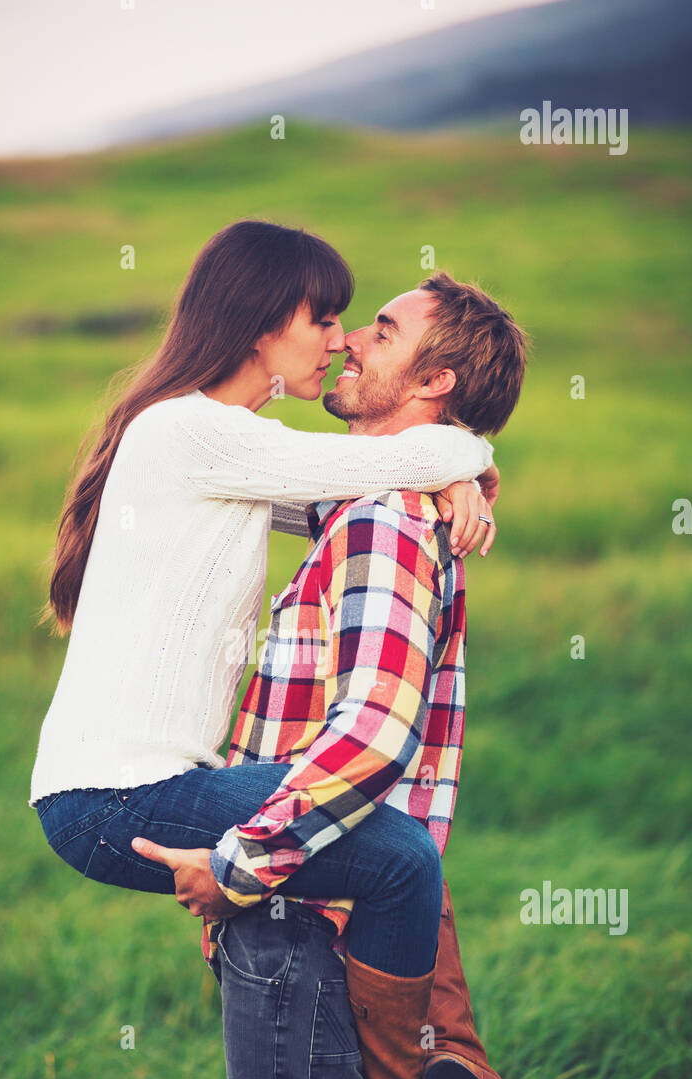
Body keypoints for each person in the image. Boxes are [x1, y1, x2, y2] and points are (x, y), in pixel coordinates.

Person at [135, 273, 588, 1079]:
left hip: (297, 899)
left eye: (376, 332)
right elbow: (266, 484)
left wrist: (237, 867)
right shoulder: (378, 498)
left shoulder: (381, 518)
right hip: (337, 878)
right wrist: (466, 460)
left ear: (429, 378)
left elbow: (373, 735)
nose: (345, 346)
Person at [32, 222, 497, 986]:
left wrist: (446, 477)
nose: (339, 338)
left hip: (127, 788)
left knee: (392, 855)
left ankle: (382, 1066)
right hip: (114, 795)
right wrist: (468, 465)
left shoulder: (228, 447)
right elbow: (398, 459)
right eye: (321, 319)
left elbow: (354, 499)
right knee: (404, 860)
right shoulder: (192, 432)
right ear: (259, 323)